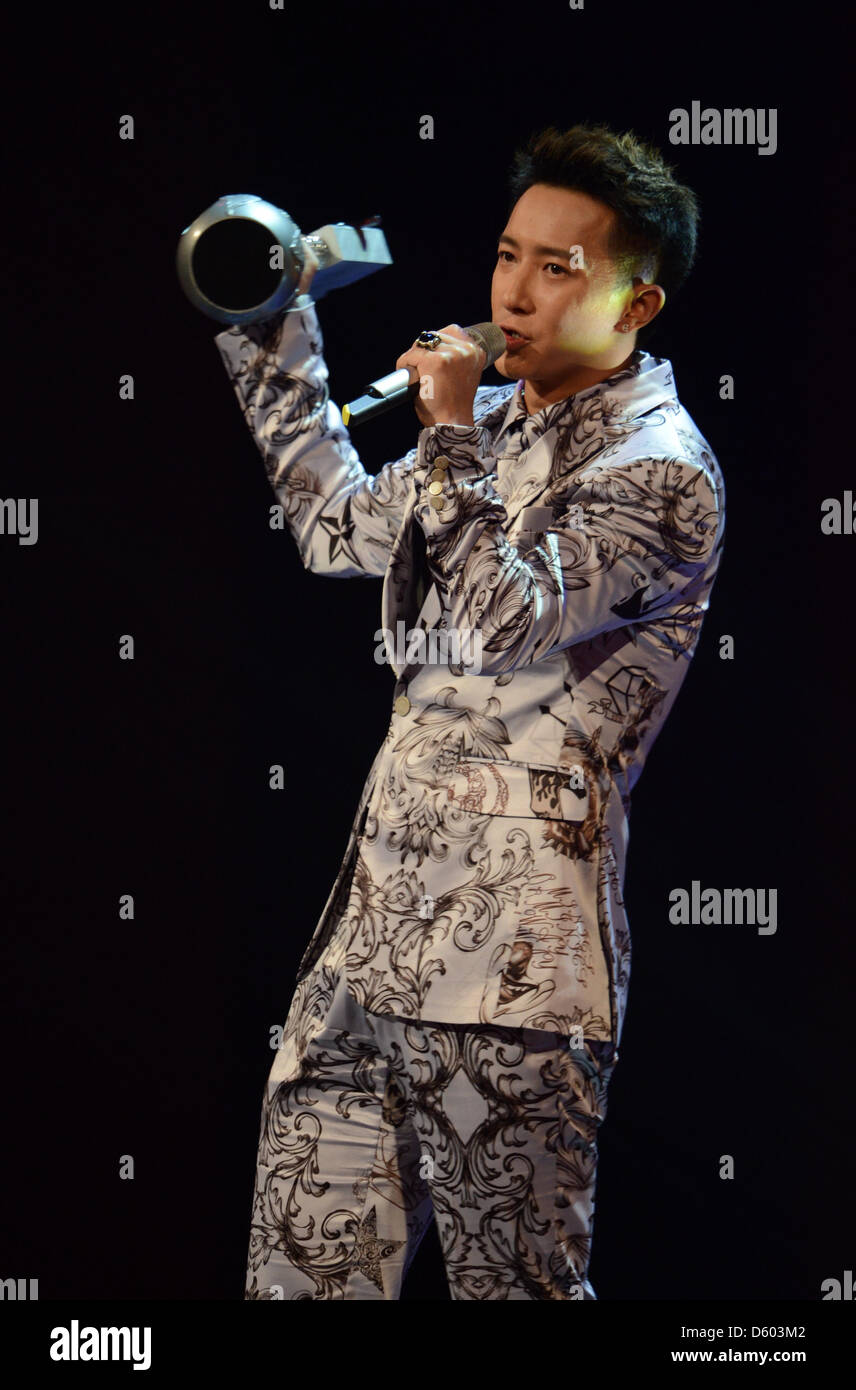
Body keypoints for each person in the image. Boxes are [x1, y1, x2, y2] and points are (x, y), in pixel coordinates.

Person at [214, 122, 725, 1300]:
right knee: (302, 1287)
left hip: (513, 986)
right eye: (508, 254)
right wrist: (267, 319)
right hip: (365, 954)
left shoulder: (662, 470)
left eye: (560, 268)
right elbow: (331, 525)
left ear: (637, 305)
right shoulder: (496, 424)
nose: (513, 289)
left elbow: (504, 616)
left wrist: (446, 431)